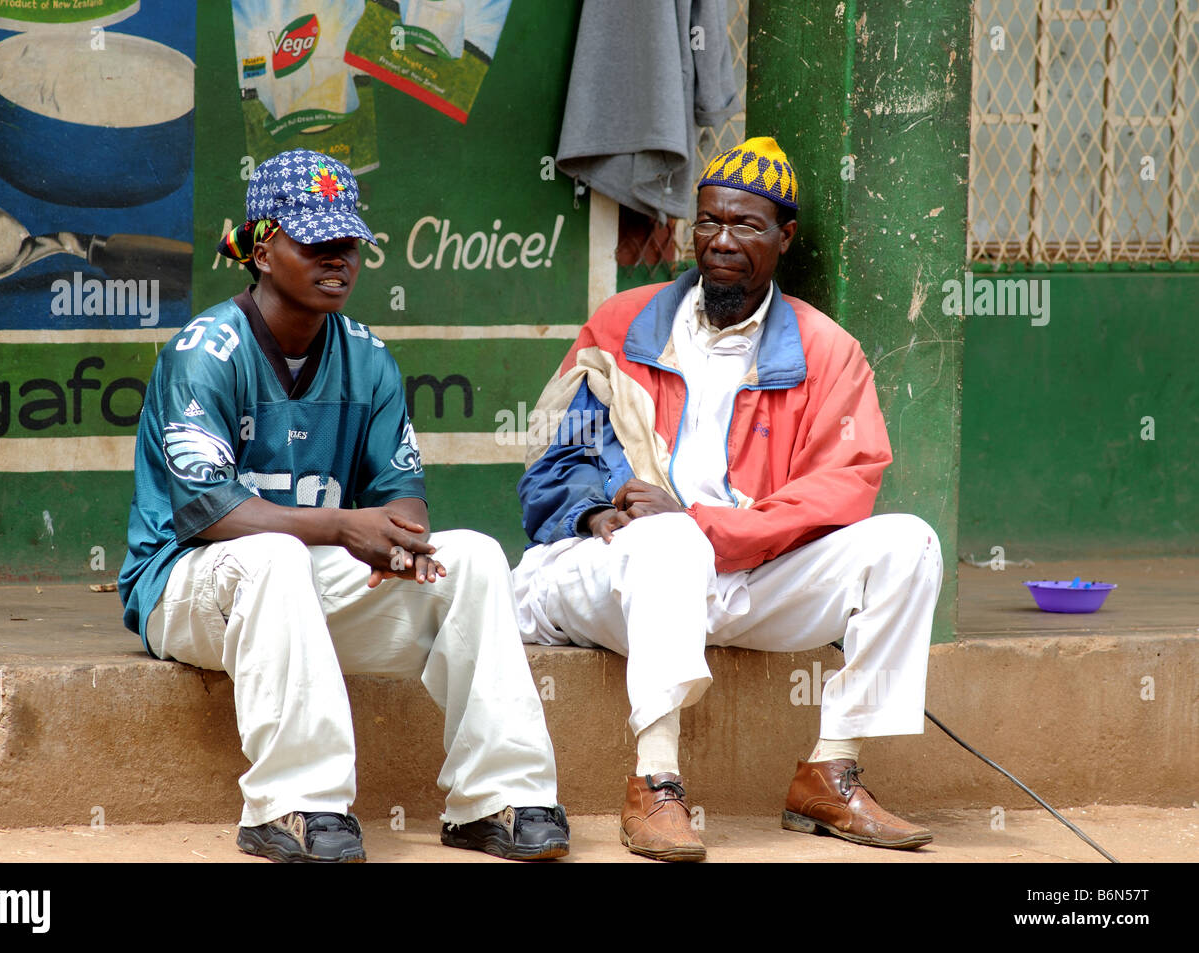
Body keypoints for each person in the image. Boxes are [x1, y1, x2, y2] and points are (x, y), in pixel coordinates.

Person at [118, 150, 568, 863]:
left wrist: (398, 539)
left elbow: (403, 502)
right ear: (263, 250)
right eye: (316, 242)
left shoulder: (367, 356)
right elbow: (208, 514)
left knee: (474, 557)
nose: (339, 259)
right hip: (187, 587)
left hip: (296, 589)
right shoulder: (204, 352)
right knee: (274, 554)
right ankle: (294, 803)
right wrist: (341, 526)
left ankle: (497, 797)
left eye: (347, 241)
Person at [514, 136, 942, 862]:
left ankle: (828, 774)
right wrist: (599, 504)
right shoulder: (622, 324)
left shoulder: (826, 351)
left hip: (742, 574)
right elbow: (551, 464)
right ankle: (655, 782)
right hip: (610, 571)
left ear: (785, 236)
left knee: (909, 543)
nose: (721, 242)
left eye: (746, 225)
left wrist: (706, 527)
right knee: (668, 543)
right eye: (708, 222)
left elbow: (841, 488)